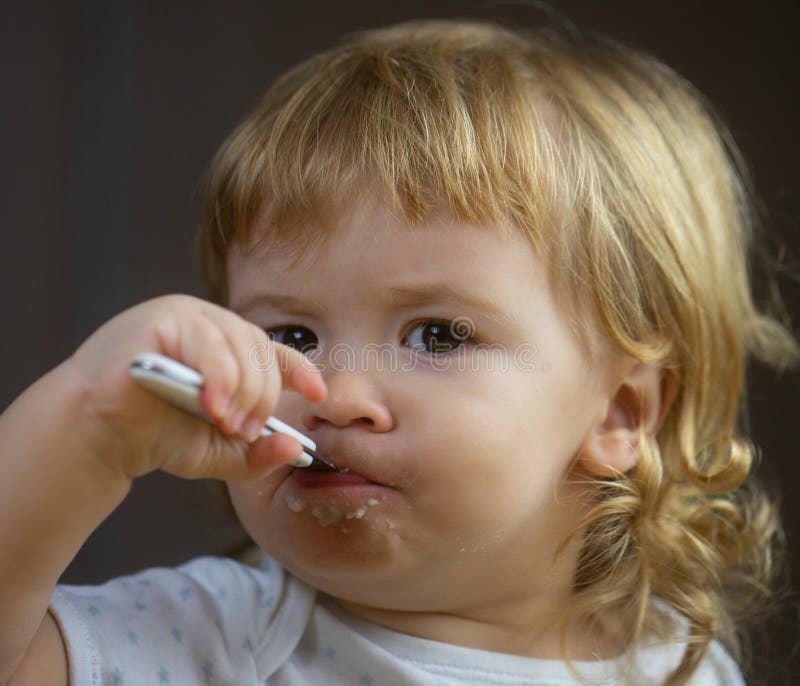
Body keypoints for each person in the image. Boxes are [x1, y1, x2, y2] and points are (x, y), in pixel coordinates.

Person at [1, 18, 796, 686]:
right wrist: (87, 425)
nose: (338, 393)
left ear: (620, 411)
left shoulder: (675, 664)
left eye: (438, 336)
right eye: (290, 336)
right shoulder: (215, 637)